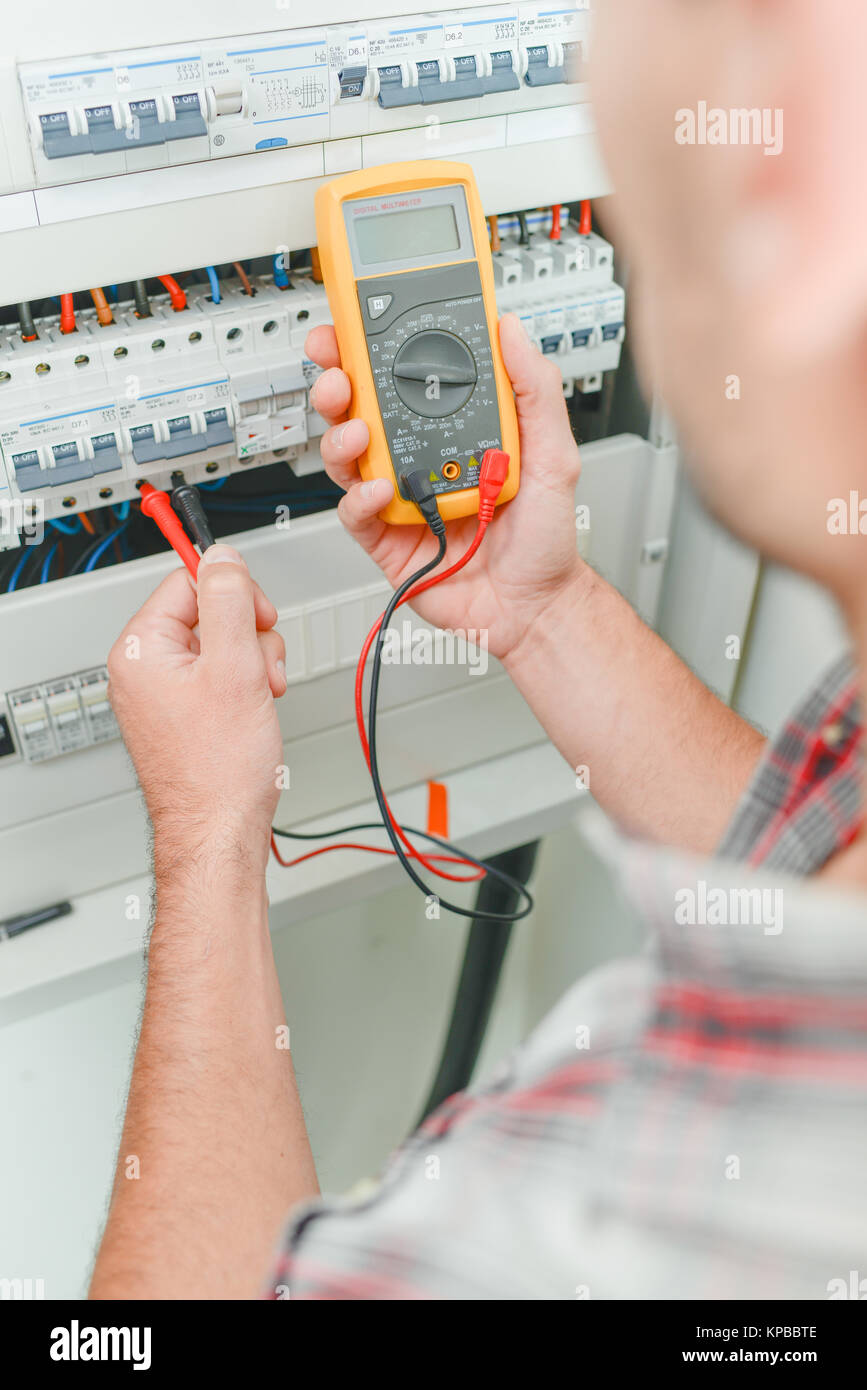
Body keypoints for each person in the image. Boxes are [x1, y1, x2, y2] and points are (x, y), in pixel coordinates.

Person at [90, 0, 867, 1298]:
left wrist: (209, 832)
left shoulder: (588, 1222)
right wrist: (542, 608)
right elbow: (822, 867)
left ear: (794, 165)